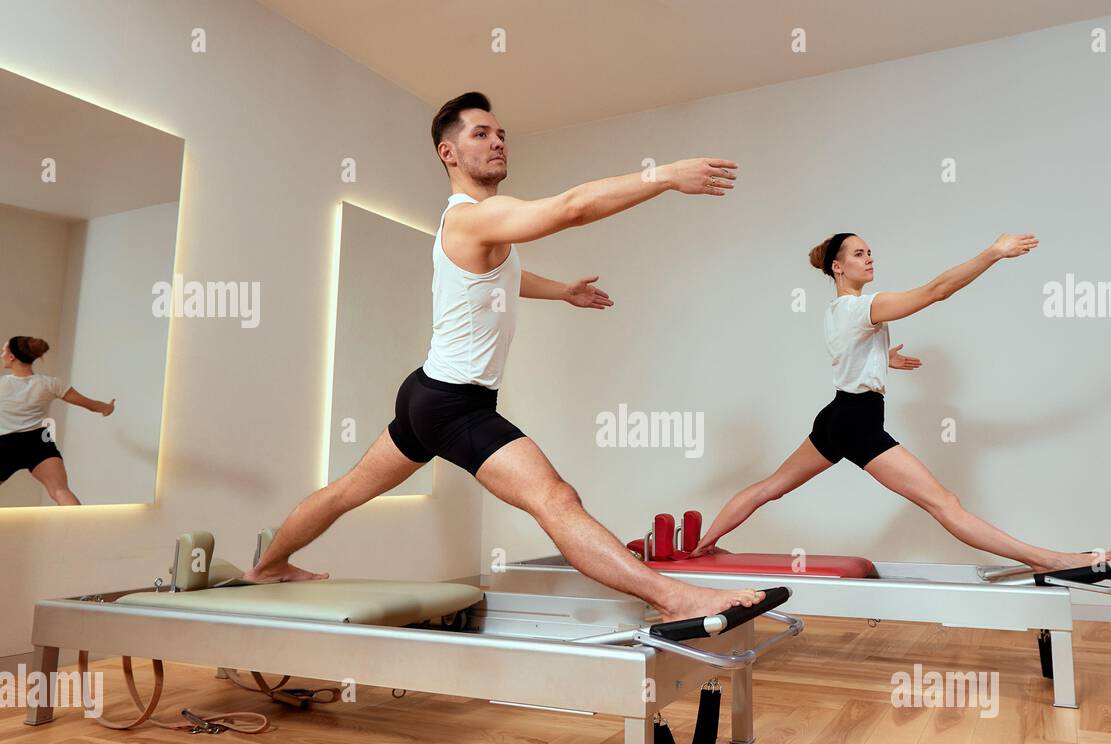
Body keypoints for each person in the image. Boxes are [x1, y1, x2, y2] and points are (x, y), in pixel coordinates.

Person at [245, 91, 764, 622]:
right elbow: (572, 208)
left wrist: (562, 291)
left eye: (500, 135)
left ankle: (268, 565)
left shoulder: (475, 227)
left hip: (426, 394)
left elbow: (500, 278)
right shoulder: (473, 218)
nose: (496, 142)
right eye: (480, 134)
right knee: (556, 498)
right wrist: (666, 176)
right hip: (454, 407)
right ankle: (674, 599)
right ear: (448, 153)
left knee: (345, 492)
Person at [690, 232, 1111, 574]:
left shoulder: (838, 310)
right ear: (837, 266)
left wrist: (882, 359)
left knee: (770, 488)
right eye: (859, 253)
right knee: (944, 503)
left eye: (870, 251)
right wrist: (992, 253)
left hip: (839, 415)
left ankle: (701, 546)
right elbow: (936, 291)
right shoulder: (862, 307)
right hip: (856, 423)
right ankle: (1049, 560)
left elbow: (845, 354)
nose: (869, 258)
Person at [1, 335, 116, 505]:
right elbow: (90, 404)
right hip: (38, 443)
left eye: (4, 350)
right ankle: (86, 530)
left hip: (5, 445)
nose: (1, 354)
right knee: (60, 490)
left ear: (12, 357)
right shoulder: (51, 384)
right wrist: (107, 408)